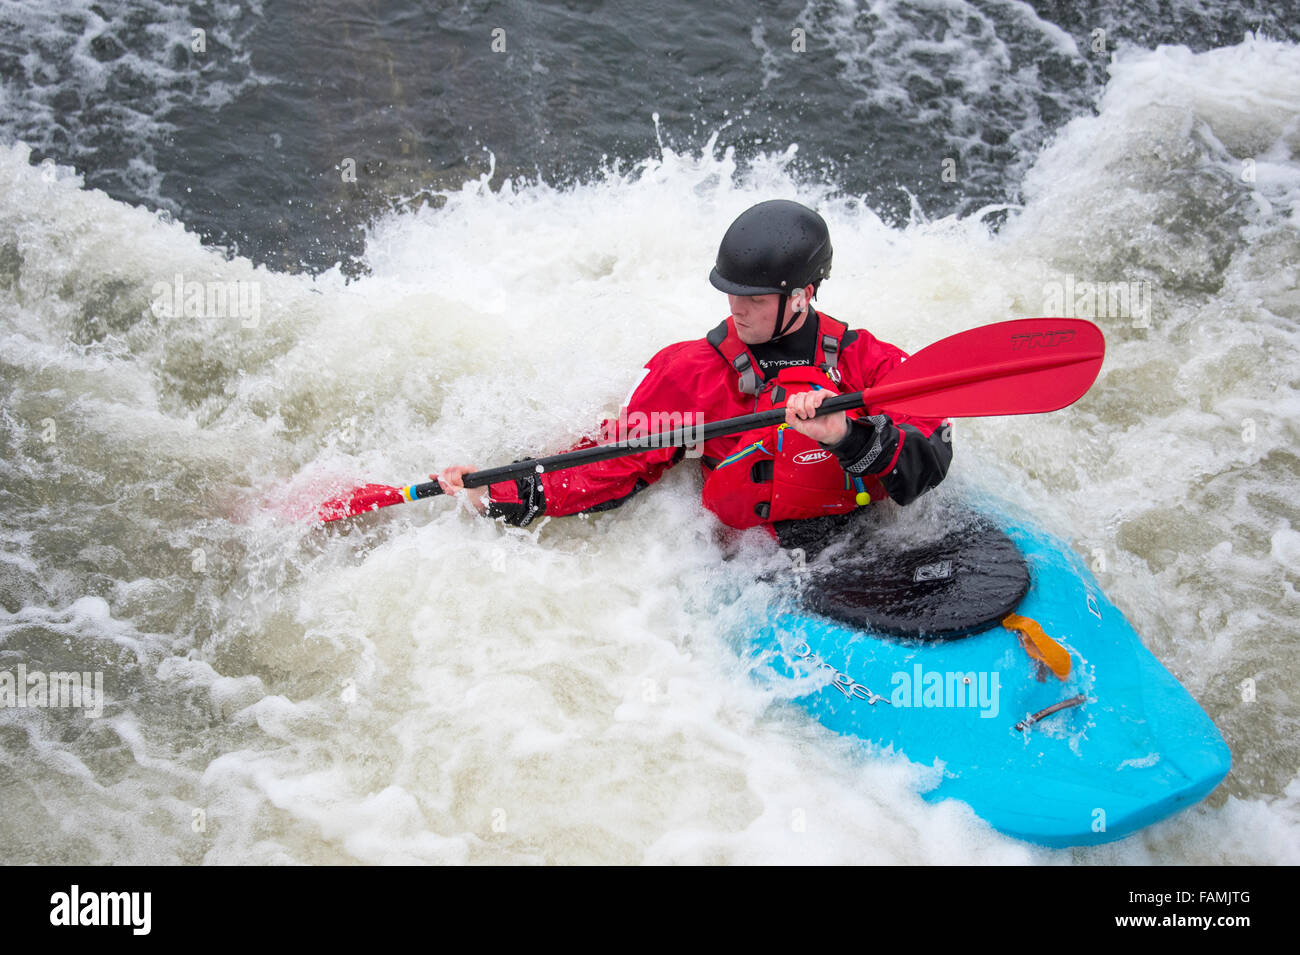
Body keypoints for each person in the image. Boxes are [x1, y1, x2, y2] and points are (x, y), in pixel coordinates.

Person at [435, 199, 952, 543]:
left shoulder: (868, 361)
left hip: (868, 534)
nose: (736, 308)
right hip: (765, 560)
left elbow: (927, 461)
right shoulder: (693, 372)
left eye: (753, 297)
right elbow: (618, 462)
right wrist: (499, 493)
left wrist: (846, 433)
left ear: (803, 295)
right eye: (731, 292)